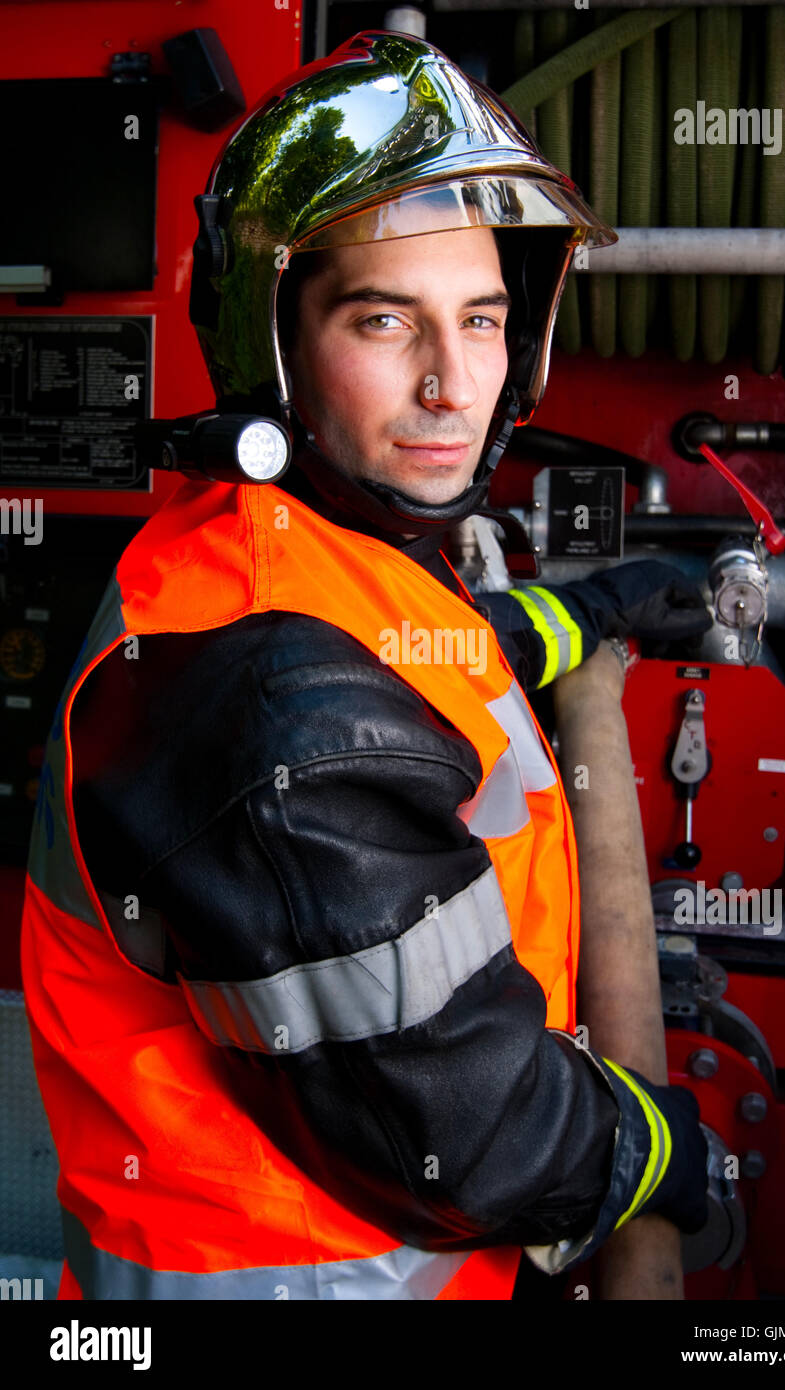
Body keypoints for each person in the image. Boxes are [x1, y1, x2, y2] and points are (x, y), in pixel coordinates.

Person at [20, 31, 710, 1301]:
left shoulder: (302, 552)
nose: (453, 383)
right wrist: (661, 1147)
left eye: (484, 320)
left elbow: (422, 677)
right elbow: (476, 1135)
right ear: (275, 340)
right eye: (385, 320)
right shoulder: (270, 700)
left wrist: (583, 615)